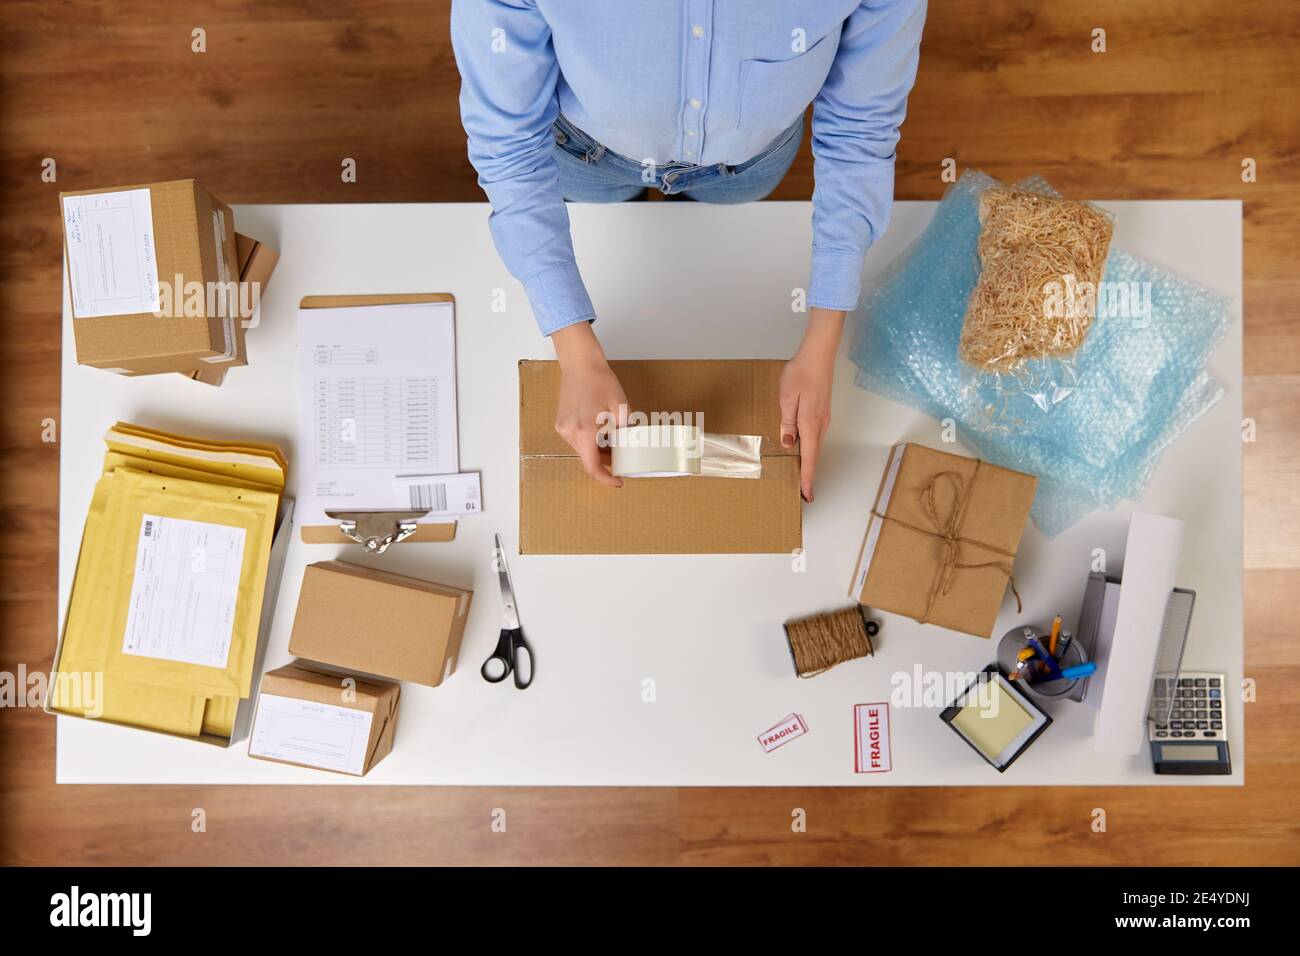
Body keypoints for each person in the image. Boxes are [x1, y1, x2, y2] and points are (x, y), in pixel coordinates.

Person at [451, 1, 927, 501]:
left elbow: (860, 132)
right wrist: (574, 351)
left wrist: (823, 342)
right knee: (605, 216)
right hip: (586, 153)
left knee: (727, 221)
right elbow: (508, 144)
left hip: (746, 166)